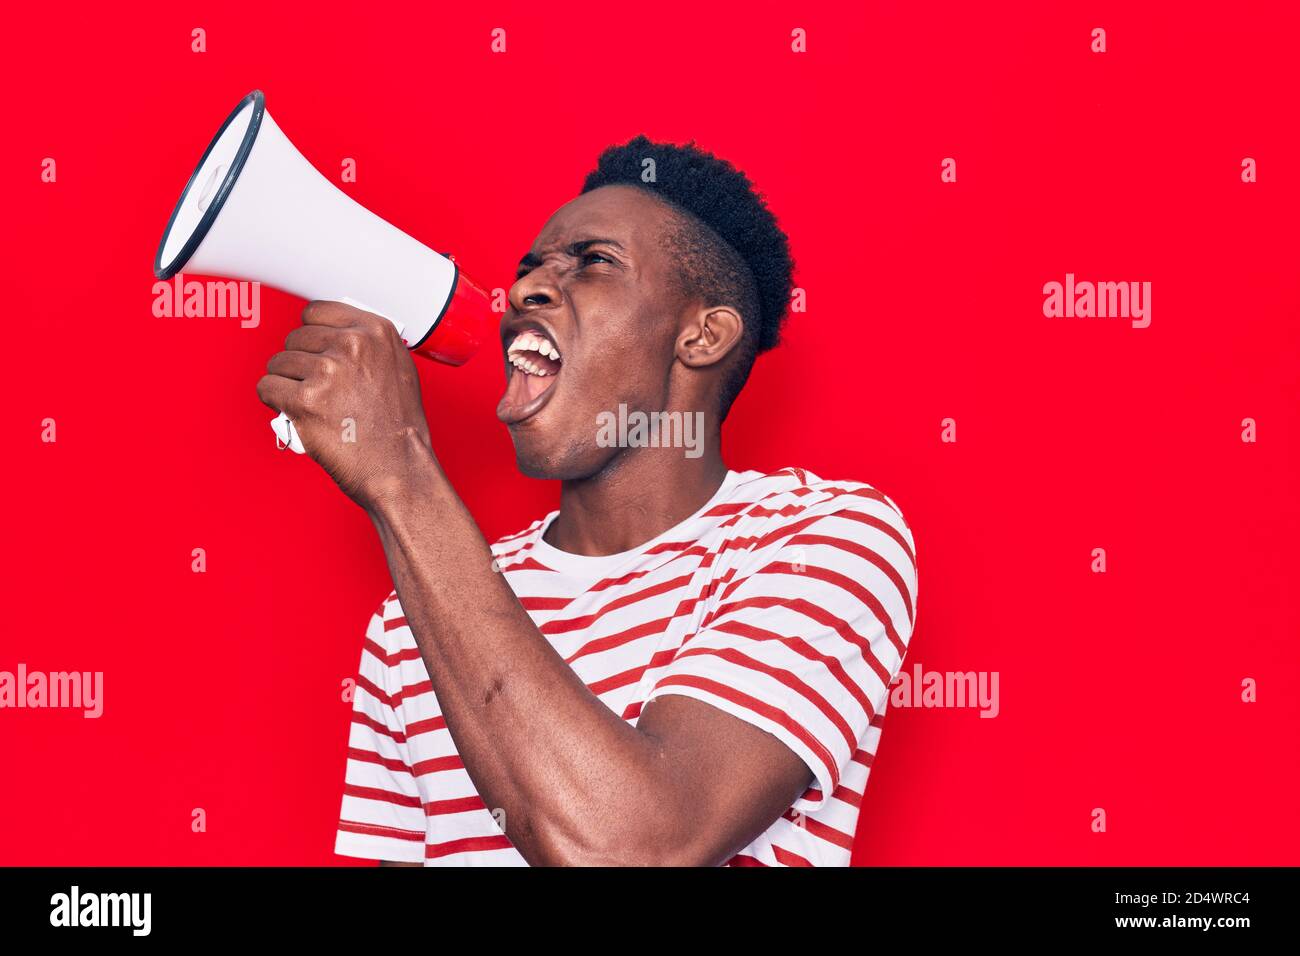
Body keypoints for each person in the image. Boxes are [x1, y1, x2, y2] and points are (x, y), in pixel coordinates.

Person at [257, 135, 918, 866]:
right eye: (531, 267)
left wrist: (402, 478)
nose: (525, 291)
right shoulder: (411, 611)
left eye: (593, 262)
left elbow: (633, 850)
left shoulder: (823, 538)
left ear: (703, 334)